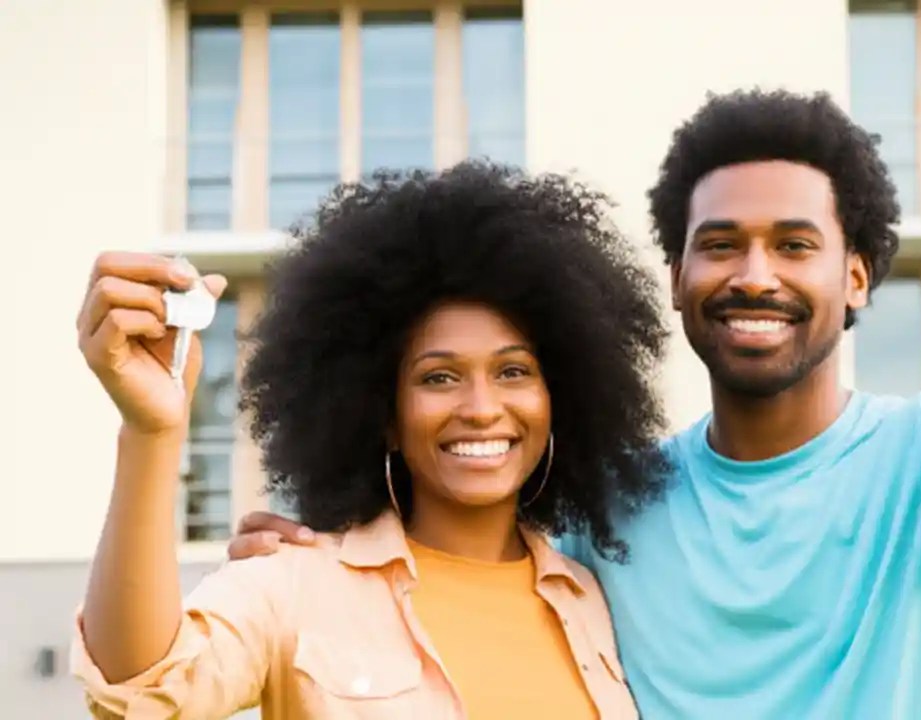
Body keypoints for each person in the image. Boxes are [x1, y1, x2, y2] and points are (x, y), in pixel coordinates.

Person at [231, 1, 921, 717]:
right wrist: (337, 564)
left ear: (856, 277)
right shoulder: (606, 506)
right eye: (721, 243)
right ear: (679, 275)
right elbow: (463, 568)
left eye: (796, 244)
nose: (754, 273)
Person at [69, 161, 671, 719]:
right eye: (439, 377)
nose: (483, 409)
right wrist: (152, 432)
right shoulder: (295, 582)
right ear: (382, 411)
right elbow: (141, 689)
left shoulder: (592, 599)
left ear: (558, 395)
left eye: (513, 371)